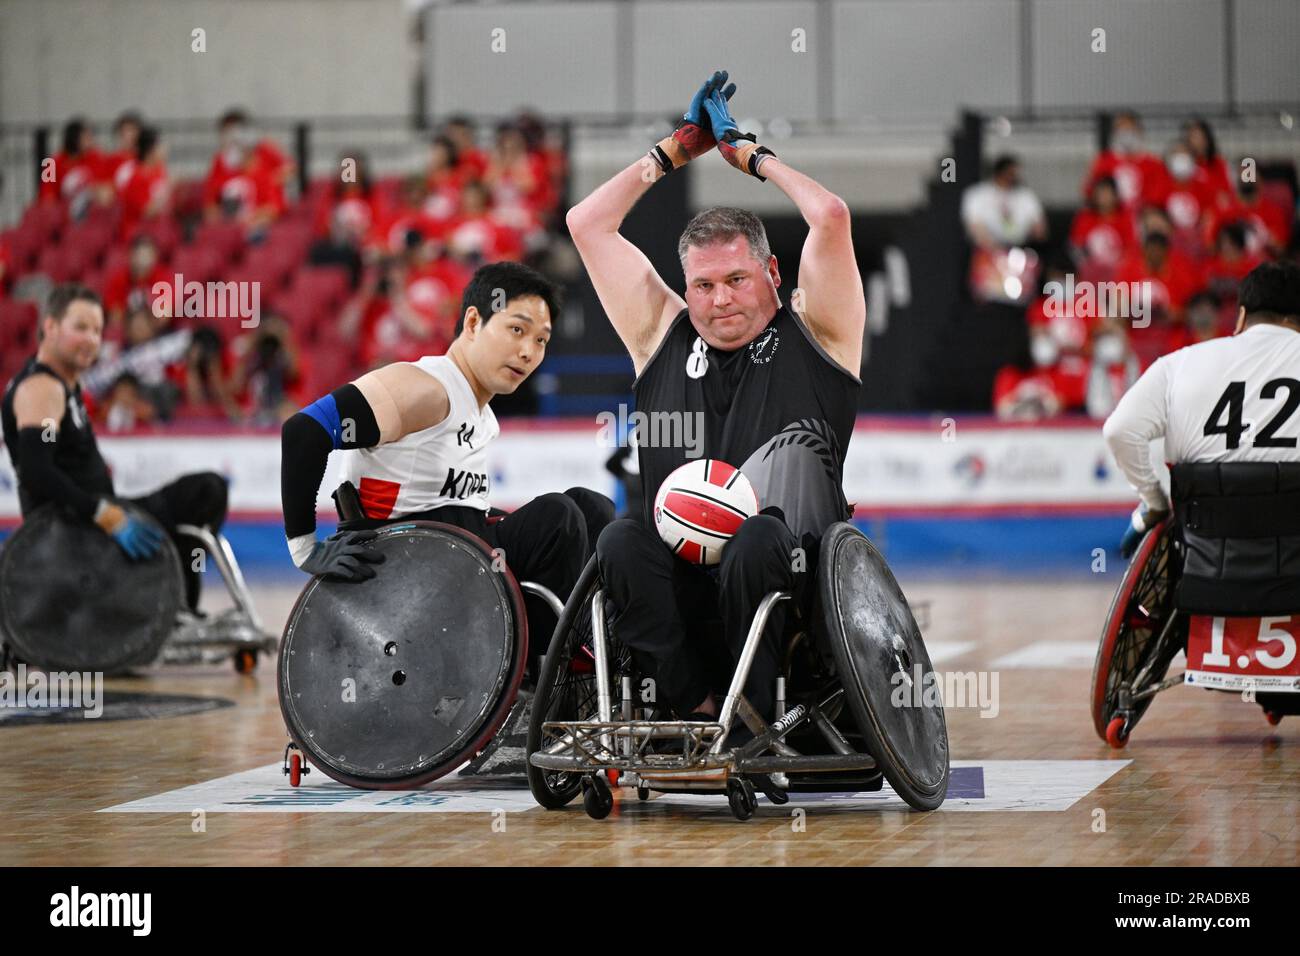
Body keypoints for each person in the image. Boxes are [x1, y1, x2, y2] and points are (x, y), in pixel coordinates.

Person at [565, 70, 865, 726]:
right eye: (703, 285)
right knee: (618, 540)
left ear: (772, 274)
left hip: (792, 587)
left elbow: (831, 216)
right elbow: (587, 223)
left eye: (736, 278)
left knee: (756, 538)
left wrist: (747, 155)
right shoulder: (658, 334)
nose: (720, 298)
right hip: (688, 593)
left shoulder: (818, 331)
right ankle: (700, 708)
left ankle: (754, 716)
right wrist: (673, 152)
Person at [279, 260, 613, 633]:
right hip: (403, 567)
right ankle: (550, 663)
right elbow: (303, 431)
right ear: (473, 323)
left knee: (593, 507)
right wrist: (305, 548)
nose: (528, 352)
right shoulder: (424, 387)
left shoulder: (481, 414)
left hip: (457, 556)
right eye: (517, 329)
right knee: (558, 517)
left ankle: (595, 641)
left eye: (541, 340)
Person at [0, 284, 230, 615]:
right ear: (49, 327)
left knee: (196, 508)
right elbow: (38, 471)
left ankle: (177, 605)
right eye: (80, 327)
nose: (91, 339)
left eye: (96, 330)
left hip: (96, 516)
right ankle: (177, 609)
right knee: (206, 492)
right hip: (79, 530)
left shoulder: (64, 385)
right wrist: (103, 515)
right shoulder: (42, 388)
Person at [1104, 261, 1300, 560]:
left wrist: (1154, 500)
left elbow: (1119, 430)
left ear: (1242, 316)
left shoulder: (1180, 363)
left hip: (1206, 561)